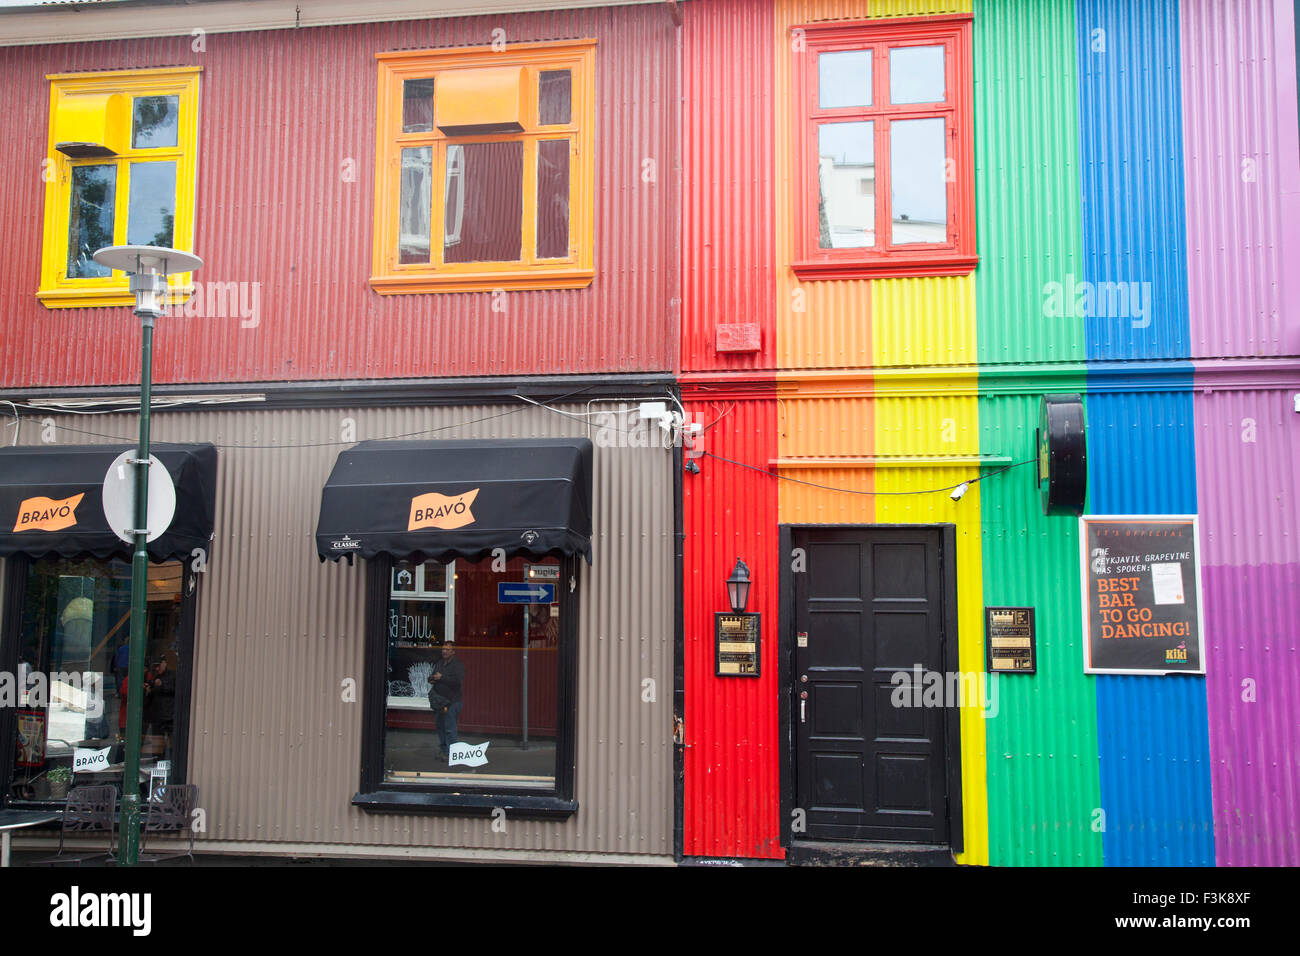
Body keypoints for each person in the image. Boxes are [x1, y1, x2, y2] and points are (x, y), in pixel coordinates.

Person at [427, 641, 465, 760]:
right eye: (443, 649)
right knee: (440, 727)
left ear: (453, 652)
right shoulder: (440, 663)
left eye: (447, 649)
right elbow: (432, 676)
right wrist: (432, 679)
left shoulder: (458, 665)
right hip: (440, 701)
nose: (444, 651)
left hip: (452, 702)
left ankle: (451, 754)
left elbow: (457, 682)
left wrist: (441, 678)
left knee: (449, 728)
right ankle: (444, 750)